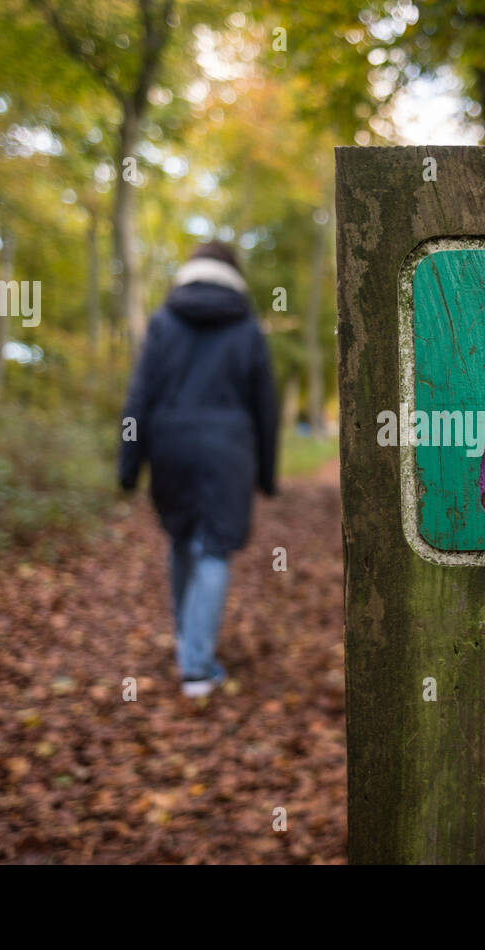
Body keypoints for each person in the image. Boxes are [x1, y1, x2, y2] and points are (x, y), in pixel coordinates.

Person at [119, 240, 278, 698]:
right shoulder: (248, 328)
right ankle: (197, 669)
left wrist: (129, 464)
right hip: (227, 452)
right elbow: (264, 409)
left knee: (182, 539)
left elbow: (138, 400)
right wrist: (266, 473)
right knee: (212, 549)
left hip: (170, 446)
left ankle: (189, 644)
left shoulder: (163, 322)